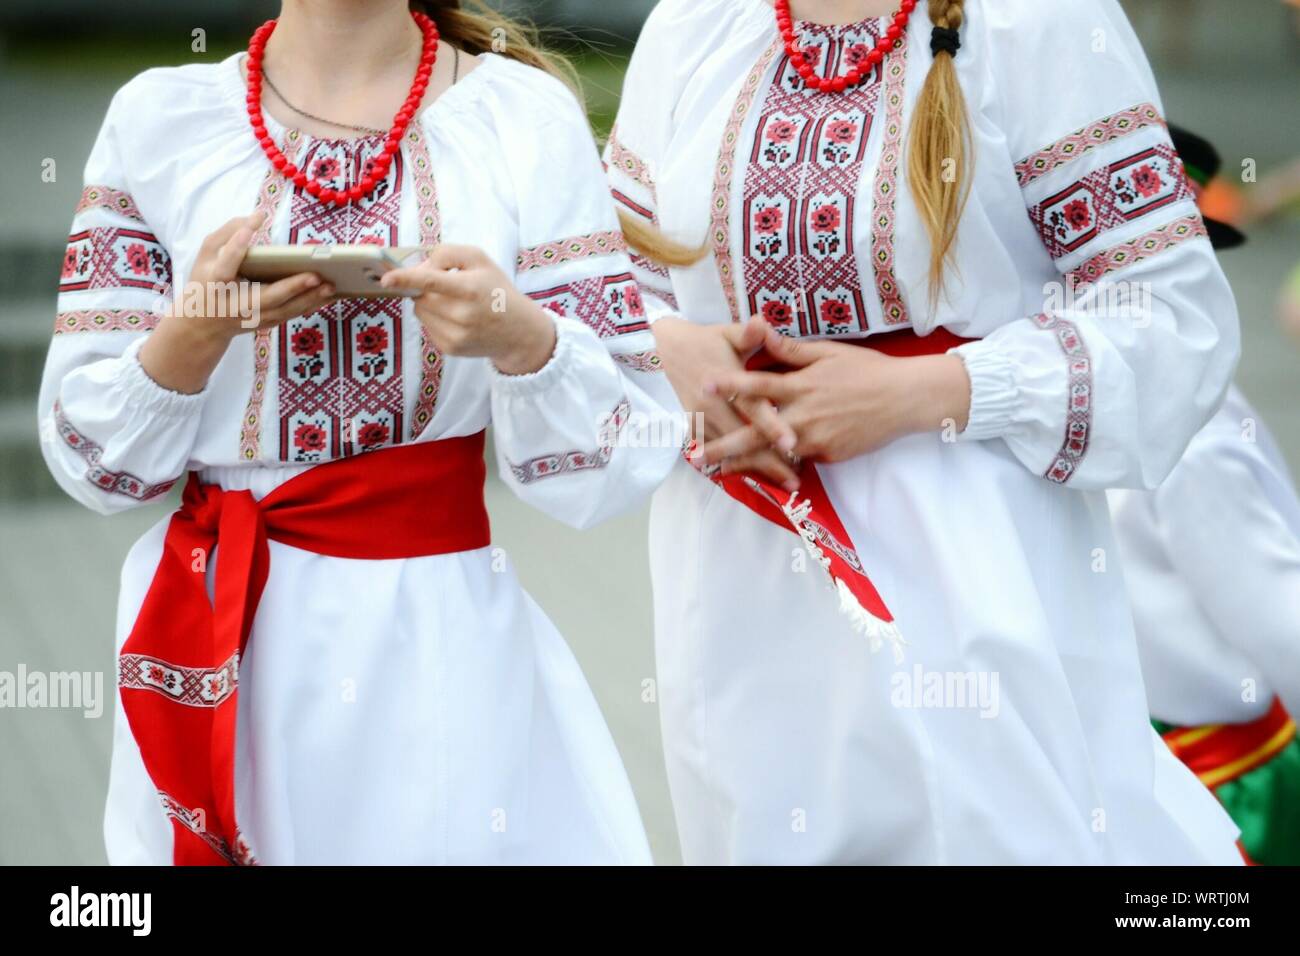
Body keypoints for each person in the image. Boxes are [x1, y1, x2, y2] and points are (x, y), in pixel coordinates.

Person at [38, 0, 679, 865]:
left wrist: (524, 339)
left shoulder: (520, 118)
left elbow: (625, 444)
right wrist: (190, 334)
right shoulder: (160, 119)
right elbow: (88, 457)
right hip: (216, 620)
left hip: (434, 636)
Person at [606, 0, 1243, 863]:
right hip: (740, 591)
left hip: (974, 583)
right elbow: (598, 295)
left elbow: (1174, 321)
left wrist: (929, 390)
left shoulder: (1037, 22)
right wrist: (666, 353)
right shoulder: (693, 25)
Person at [1109, 126, 1300, 867]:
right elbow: (1278, 616)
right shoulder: (1192, 428)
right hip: (1229, 792)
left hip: (1152, 770)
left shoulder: (1087, 403)